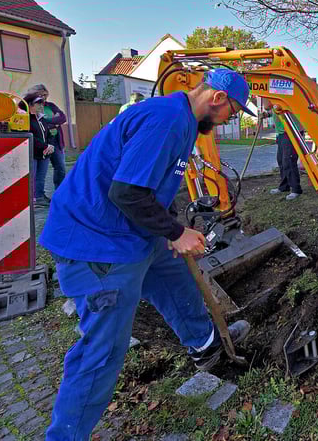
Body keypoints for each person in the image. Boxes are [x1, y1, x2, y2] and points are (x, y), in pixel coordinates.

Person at [39, 69, 255, 441]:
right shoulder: (166, 120)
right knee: (103, 352)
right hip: (98, 242)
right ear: (217, 99)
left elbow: (154, 184)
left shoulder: (185, 122)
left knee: (175, 278)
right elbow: (125, 192)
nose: (227, 122)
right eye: (231, 113)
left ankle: (205, 345)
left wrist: (169, 227)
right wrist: (175, 231)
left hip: (132, 230)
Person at [24, 84, 68, 203]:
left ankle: (60, 193)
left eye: (45, 94)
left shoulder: (51, 106)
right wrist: (51, 123)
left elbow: (62, 118)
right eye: (41, 95)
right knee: (38, 173)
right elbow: (38, 122)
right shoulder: (28, 108)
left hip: (55, 143)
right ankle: (38, 196)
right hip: (40, 144)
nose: (44, 97)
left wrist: (46, 122)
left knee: (60, 168)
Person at [267, 100, 302, 200]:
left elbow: (266, 105)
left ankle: (296, 189)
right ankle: (284, 187)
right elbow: (271, 109)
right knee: (281, 161)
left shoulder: (280, 95)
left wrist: (266, 103)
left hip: (291, 132)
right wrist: (267, 114)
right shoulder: (275, 99)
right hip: (281, 133)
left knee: (289, 161)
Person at [23, 95, 54, 204]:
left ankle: (40, 197)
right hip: (33, 153)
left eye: (42, 103)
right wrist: (44, 146)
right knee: (31, 177)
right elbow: (29, 135)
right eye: (38, 103)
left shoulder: (42, 118)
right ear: (30, 105)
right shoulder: (26, 119)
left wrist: (50, 145)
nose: (42, 106)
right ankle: (30, 200)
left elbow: (49, 134)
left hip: (45, 154)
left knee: (41, 177)